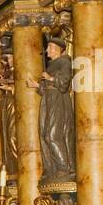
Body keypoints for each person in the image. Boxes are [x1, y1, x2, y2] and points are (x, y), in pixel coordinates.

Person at [31, 35, 76, 184]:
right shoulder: (51, 65)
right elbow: (46, 89)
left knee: (52, 134)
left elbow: (64, 83)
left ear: (58, 49)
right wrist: (37, 86)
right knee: (44, 135)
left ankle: (64, 167)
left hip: (58, 101)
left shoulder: (64, 62)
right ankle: (51, 168)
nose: (47, 50)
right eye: (48, 47)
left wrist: (50, 79)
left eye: (50, 47)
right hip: (48, 100)